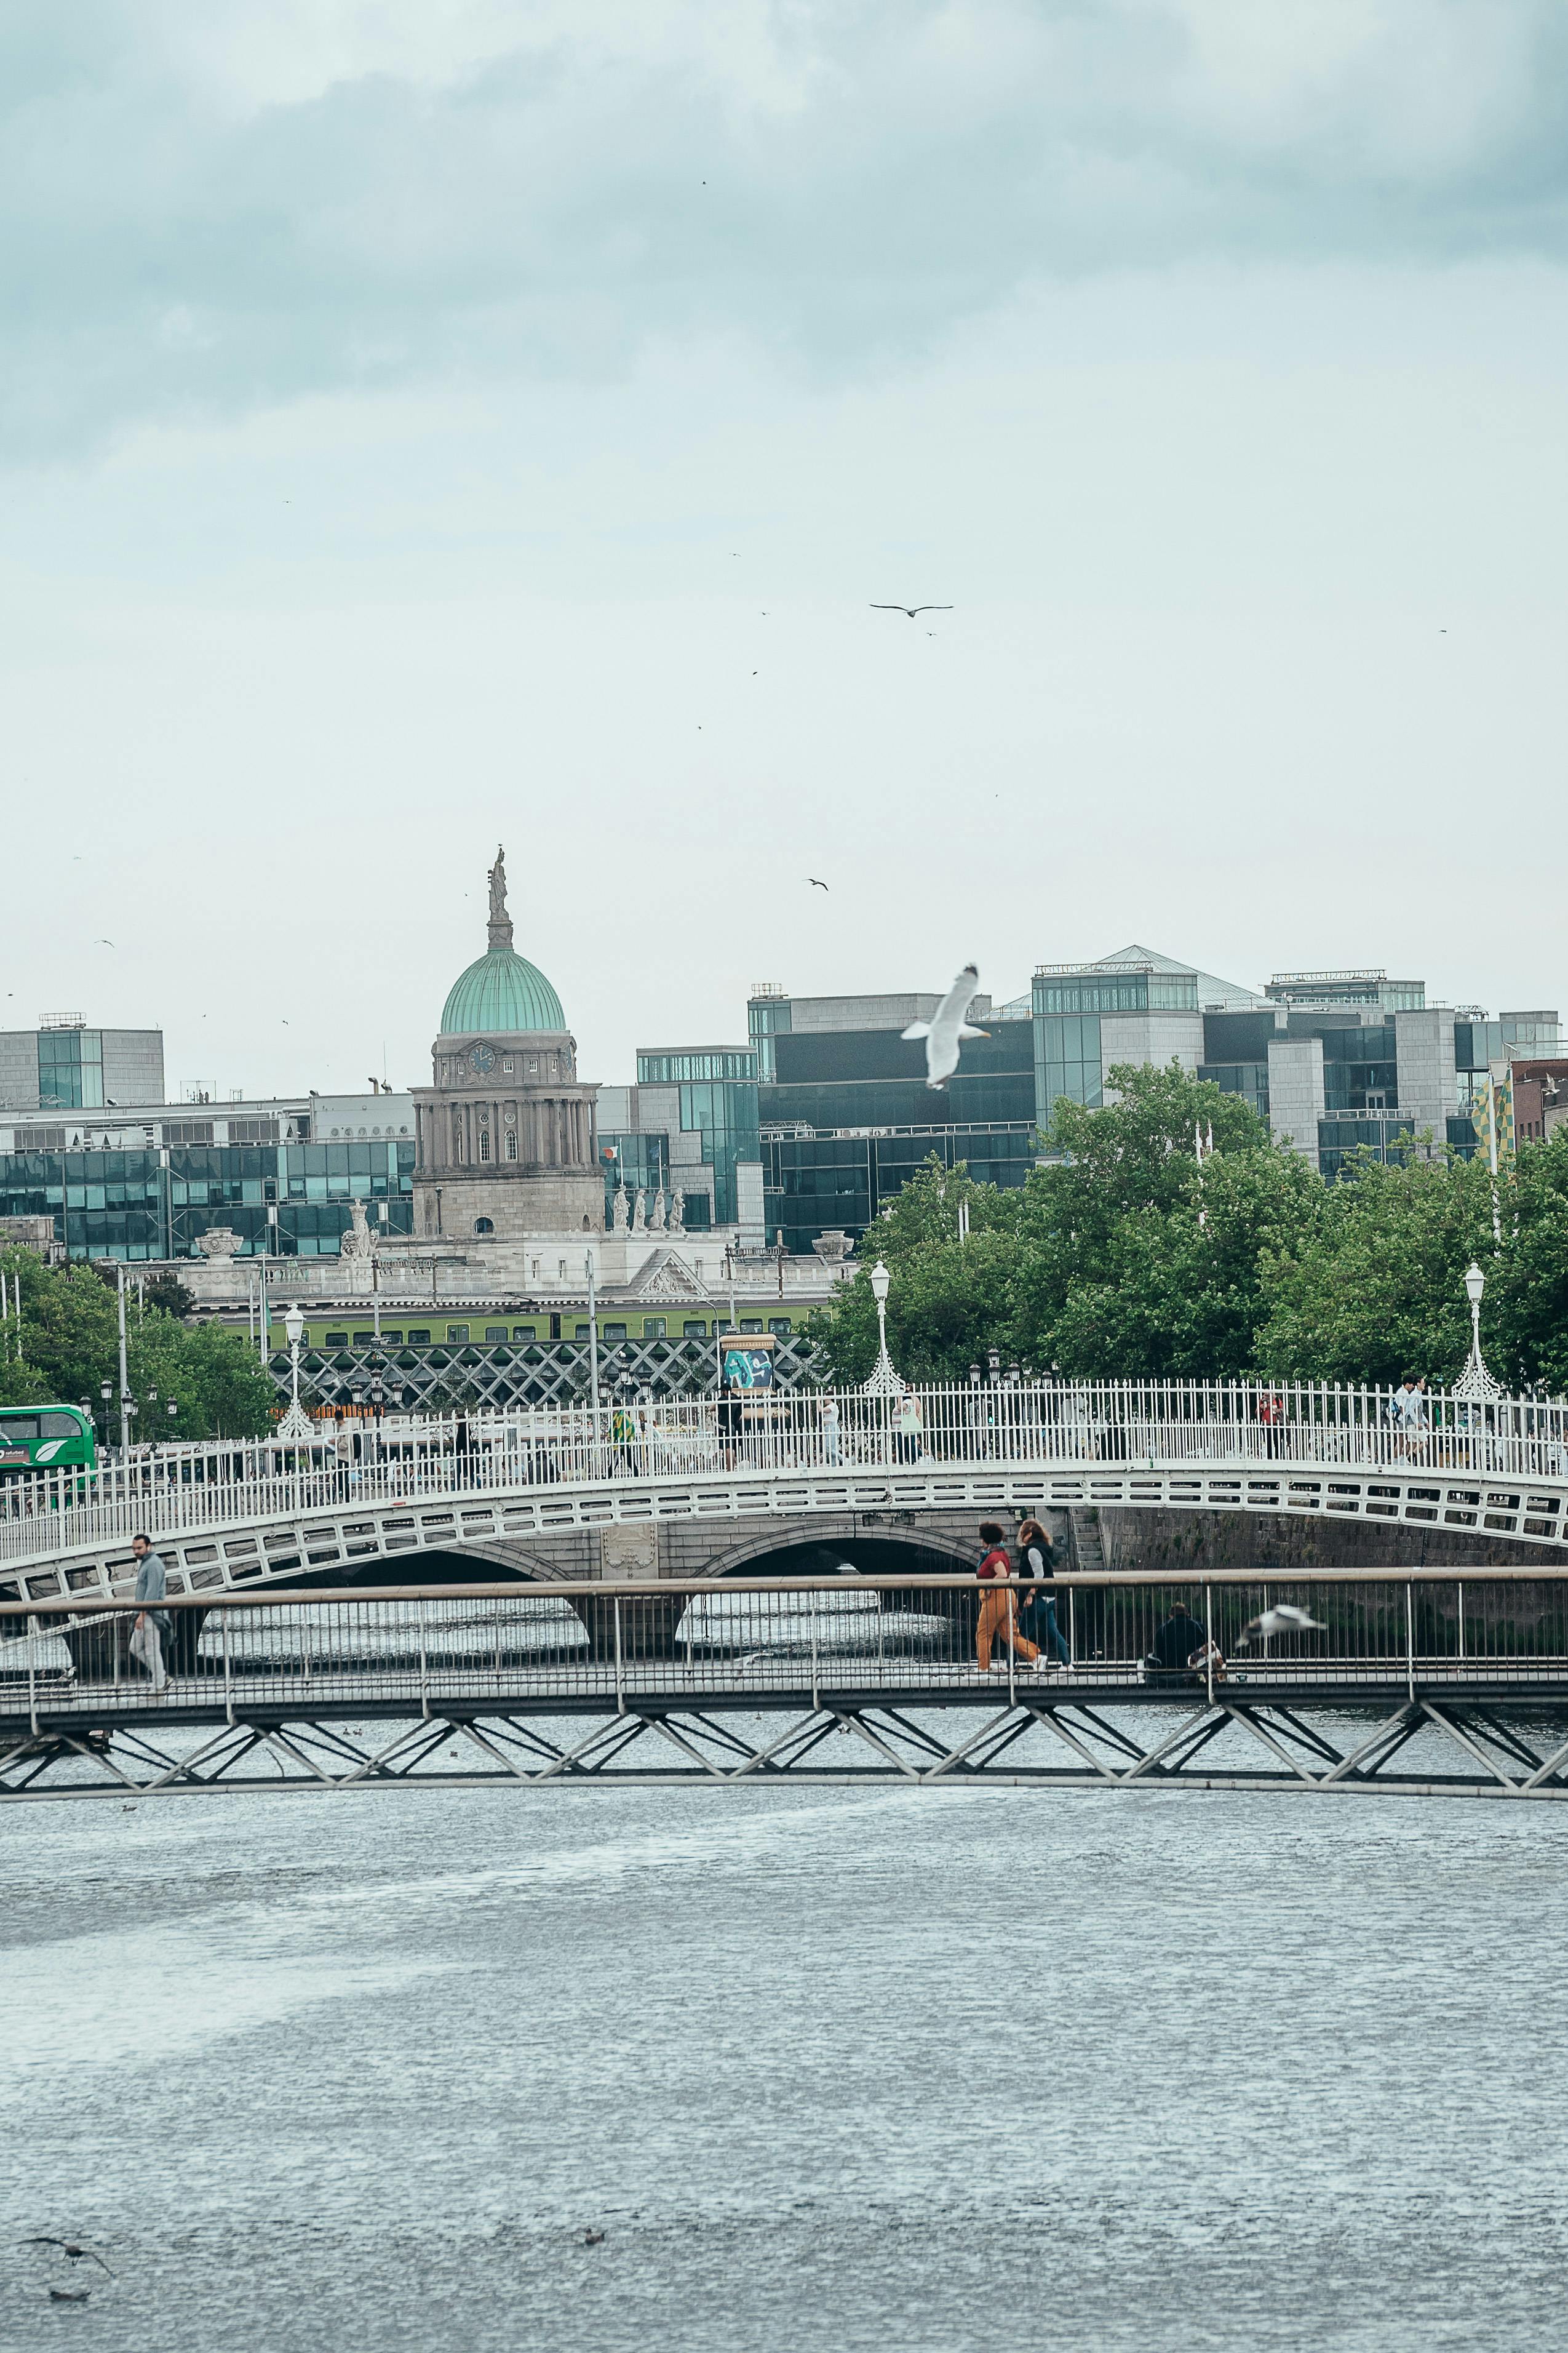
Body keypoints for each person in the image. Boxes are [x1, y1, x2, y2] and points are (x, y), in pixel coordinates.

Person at [974, 1520, 1041, 1673]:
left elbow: (1002, 1574)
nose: (981, 1541)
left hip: (996, 1597)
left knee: (983, 1633)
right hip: (1007, 1596)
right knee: (1010, 1635)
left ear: (986, 1539)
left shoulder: (993, 1556)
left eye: (982, 1538)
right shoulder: (1001, 1552)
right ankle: (1036, 1657)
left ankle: (983, 1668)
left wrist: (990, 1585)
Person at [1015, 1517, 1070, 1666]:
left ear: (1030, 1534)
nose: (1021, 1537)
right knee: (1054, 1633)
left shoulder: (1033, 1551)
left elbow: (1039, 1575)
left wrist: (1031, 1594)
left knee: (1020, 1635)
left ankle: (1011, 1666)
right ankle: (1067, 1665)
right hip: (1049, 1598)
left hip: (1038, 1598)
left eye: (1023, 1533)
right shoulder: (1043, 1548)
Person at [129, 1532, 171, 1693]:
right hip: (145, 1614)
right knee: (135, 1648)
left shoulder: (153, 1564)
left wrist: (142, 1614)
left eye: (139, 1548)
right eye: (134, 1548)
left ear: (149, 1546)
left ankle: (159, 1685)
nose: (136, 1552)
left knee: (151, 1650)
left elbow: (152, 1593)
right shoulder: (146, 1563)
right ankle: (162, 1676)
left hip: (151, 1615)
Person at [1146, 1596, 1219, 1682]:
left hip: (1169, 1675)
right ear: (1187, 1614)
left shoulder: (1162, 1629)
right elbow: (1210, 1649)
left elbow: (1158, 1654)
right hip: (1195, 1675)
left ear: (1171, 1616)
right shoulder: (1199, 1627)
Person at [893, 1389, 924, 1465]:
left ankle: (922, 1457)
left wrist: (900, 1397)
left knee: (909, 1446)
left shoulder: (908, 1402)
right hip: (899, 1429)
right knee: (901, 1446)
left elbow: (900, 1407)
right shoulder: (901, 1402)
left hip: (907, 1428)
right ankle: (902, 1461)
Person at [821, 1396, 841, 1467]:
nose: (824, 1400)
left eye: (825, 1398)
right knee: (833, 1449)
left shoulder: (833, 1406)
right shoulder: (831, 1406)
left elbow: (821, 1410)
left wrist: (817, 1400)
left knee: (828, 1448)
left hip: (832, 1428)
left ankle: (843, 1459)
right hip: (829, 1428)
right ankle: (834, 1465)